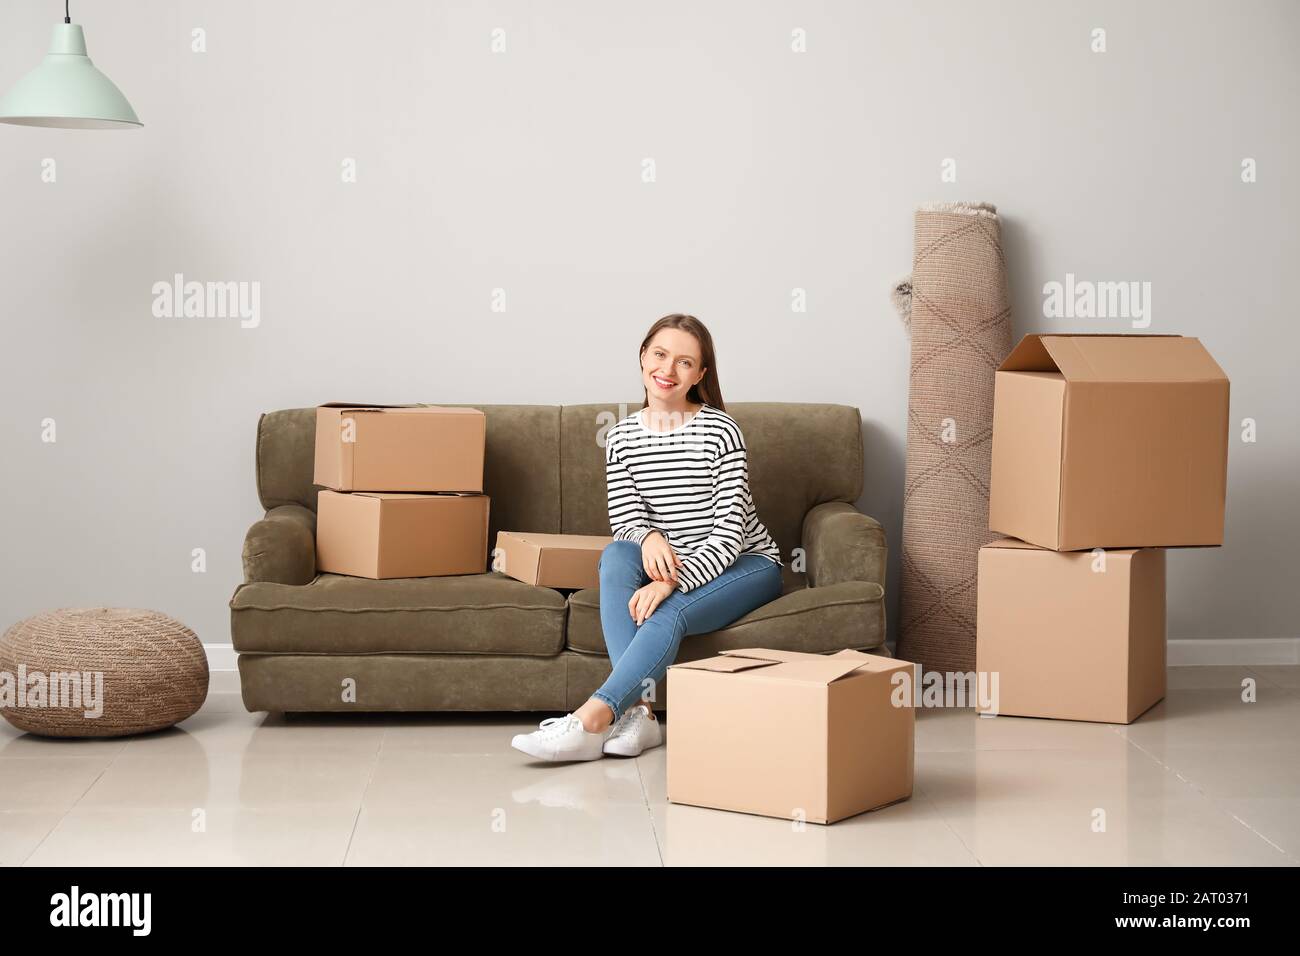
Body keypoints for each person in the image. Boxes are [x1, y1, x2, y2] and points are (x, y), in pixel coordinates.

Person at [512, 314, 784, 761]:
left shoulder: (721, 431)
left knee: (666, 611)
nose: (668, 370)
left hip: (746, 564)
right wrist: (650, 536)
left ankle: (591, 719)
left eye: (684, 362)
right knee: (618, 554)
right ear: (642, 357)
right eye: (660, 354)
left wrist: (669, 581)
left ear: (700, 375)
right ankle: (640, 714)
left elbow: (729, 536)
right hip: (673, 560)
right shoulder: (621, 437)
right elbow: (626, 521)